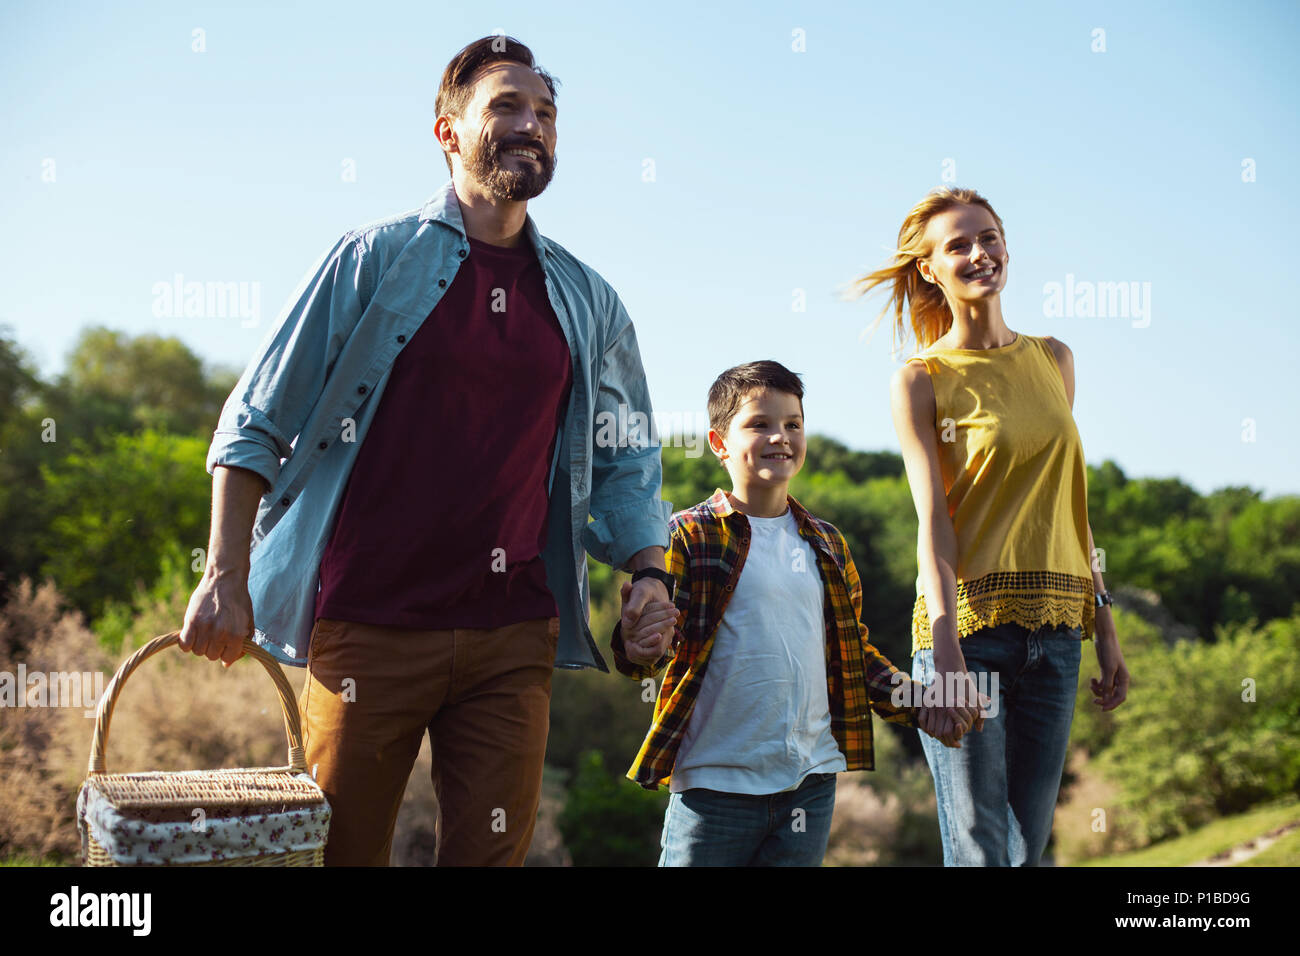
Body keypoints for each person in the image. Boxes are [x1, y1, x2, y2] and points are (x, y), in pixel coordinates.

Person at [178, 35, 674, 866]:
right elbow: (256, 418)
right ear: (447, 132)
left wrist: (649, 575)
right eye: (507, 106)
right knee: (341, 852)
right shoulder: (372, 259)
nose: (532, 125)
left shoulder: (589, 300)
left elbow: (627, 460)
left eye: (547, 113)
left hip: (514, 630)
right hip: (371, 622)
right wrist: (224, 573)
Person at [848, 186, 1131, 866]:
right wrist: (944, 651)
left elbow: (1073, 507)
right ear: (929, 269)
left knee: (1027, 851)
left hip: (1059, 638)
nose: (980, 254)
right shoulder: (921, 378)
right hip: (970, 636)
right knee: (981, 852)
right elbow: (934, 524)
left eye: (989, 237)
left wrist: (1105, 624)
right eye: (958, 246)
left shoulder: (1054, 360)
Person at [611, 361, 966, 866]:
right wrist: (636, 643)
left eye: (793, 424)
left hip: (810, 784)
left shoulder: (826, 543)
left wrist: (922, 703)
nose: (780, 436)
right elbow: (652, 652)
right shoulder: (687, 536)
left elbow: (853, 658)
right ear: (718, 442)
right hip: (714, 788)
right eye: (759, 424)